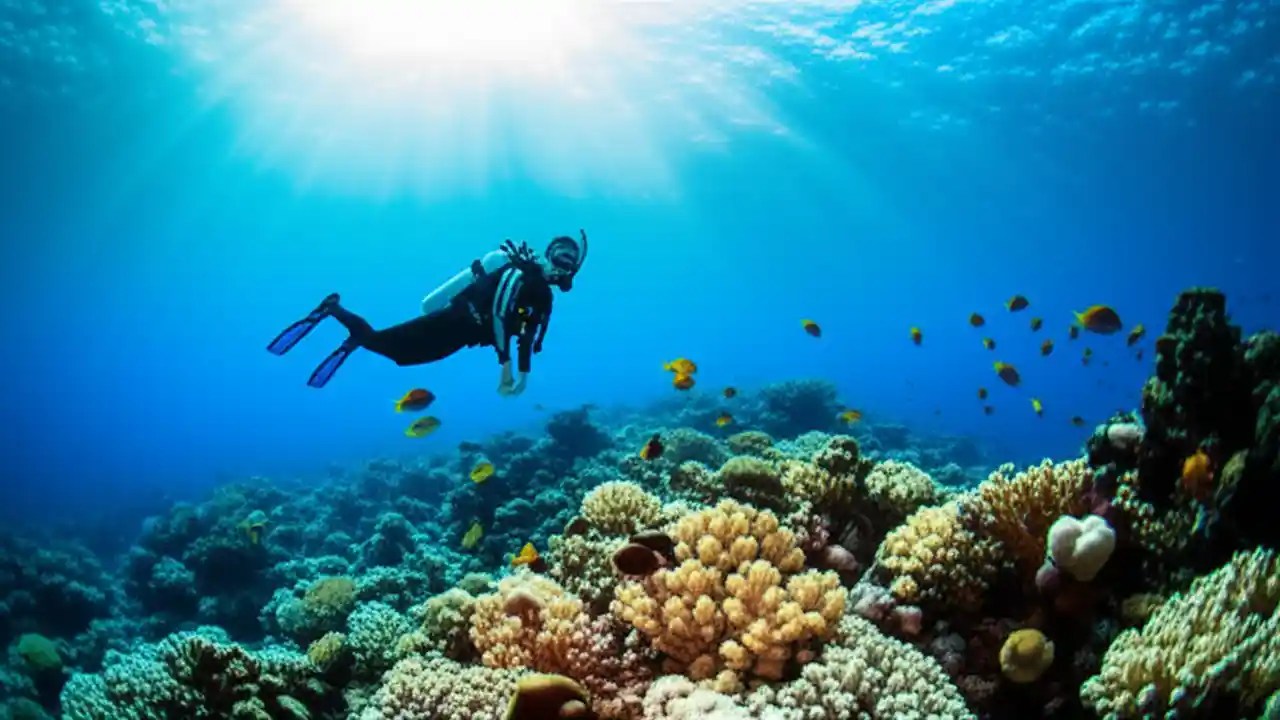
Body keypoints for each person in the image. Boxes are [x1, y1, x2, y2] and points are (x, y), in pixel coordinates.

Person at [267, 230, 588, 394]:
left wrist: (525, 375)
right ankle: (333, 309)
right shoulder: (520, 276)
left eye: (569, 263)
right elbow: (503, 316)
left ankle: (356, 337)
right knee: (391, 349)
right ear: (547, 255)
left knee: (403, 358)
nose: (562, 266)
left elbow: (528, 334)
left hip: (463, 336)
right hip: (452, 321)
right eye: (559, 257)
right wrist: (506, 370)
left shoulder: (545, 297)